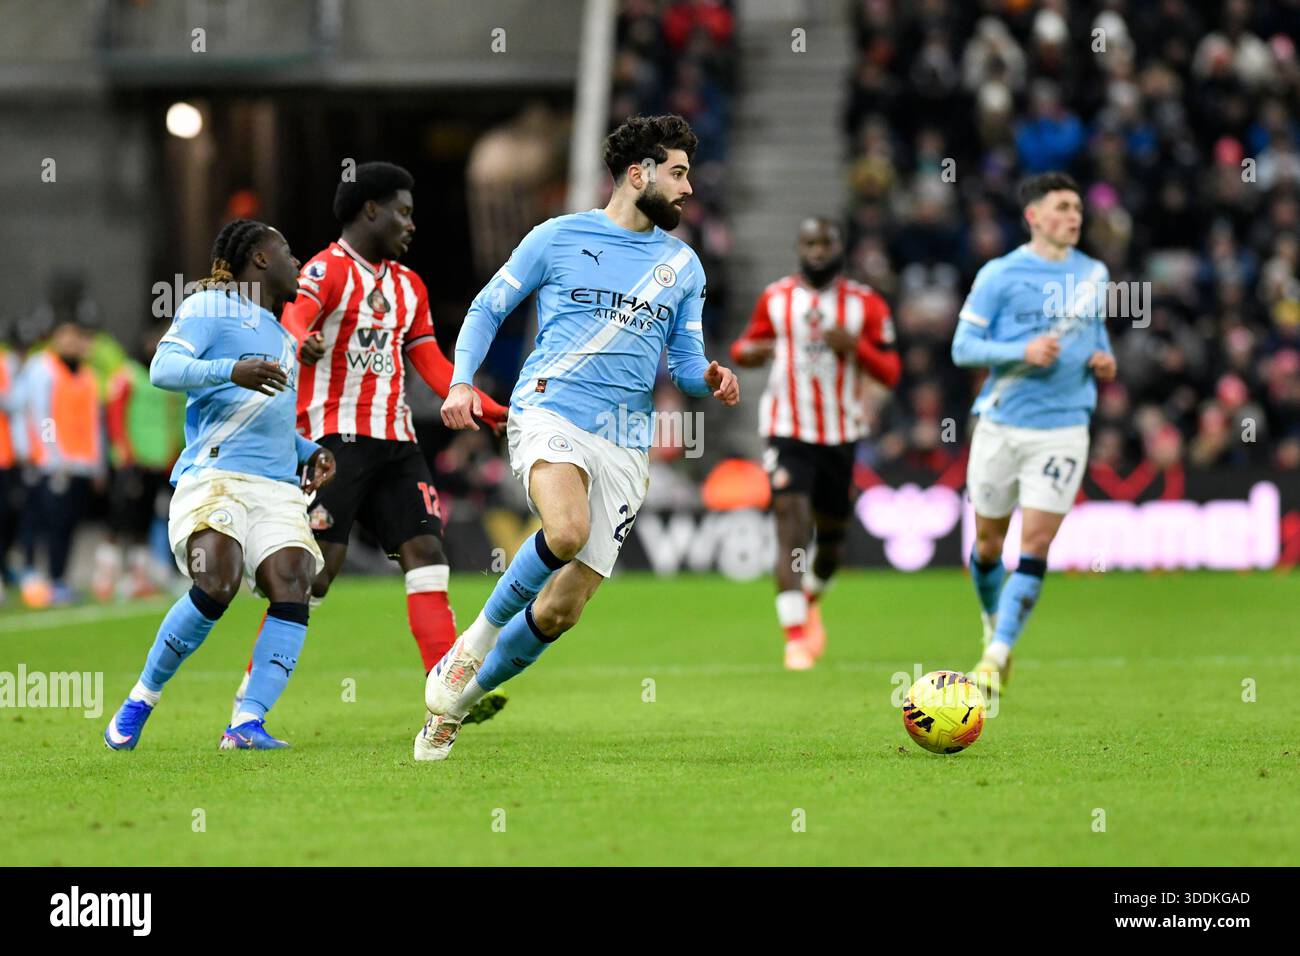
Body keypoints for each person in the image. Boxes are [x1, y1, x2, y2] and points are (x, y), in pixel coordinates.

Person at [418, 113, 740, 762]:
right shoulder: (558, 237)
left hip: (624, 439)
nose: (688, 188)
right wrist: (459, 383)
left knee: (563, 610)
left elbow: (683, 365)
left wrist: (708, 378)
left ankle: (457, 704)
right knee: (563, 532)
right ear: (636, 174)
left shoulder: (683, 266)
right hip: (551, 410)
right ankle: (470, 644)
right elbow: (488, 307)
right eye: (677, 173)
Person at [223, 162, 510, 737]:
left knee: (428, 554)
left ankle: (446, 691)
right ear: (370, 210)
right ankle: (246, 713)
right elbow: (296, 317)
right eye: (402, 212)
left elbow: (431, 365)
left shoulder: (410, 286)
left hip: (398, 445)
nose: (410, 223)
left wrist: (494, 409)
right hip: (335, 444)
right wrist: (299, 340)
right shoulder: (325, 271)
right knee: (314, 575)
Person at [104, 219, 336, 751]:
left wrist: (311, 450)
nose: (297, 263)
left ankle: (247, 723)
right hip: (216, 478)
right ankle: (143, 696)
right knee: (219, 576)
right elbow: (163, 367)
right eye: (287, 251)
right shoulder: (210, 308)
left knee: (293, 580)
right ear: (258, 259)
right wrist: (232, 369)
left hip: (275, 488)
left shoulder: (282, 337)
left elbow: (271, 420)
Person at [951, 172, 1117, 695]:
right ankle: (992, 621)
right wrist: (1018, 352)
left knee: (1036, 543)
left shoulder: (1094, 274)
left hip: (1064, 429)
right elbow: (962, 348)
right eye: (1063, 207)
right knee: (986, 544)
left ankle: (995, 656)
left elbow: (1098, 335)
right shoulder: (1000, 275)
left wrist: (1104, 359)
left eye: (1078, 209)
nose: (1075, 216)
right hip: (1001, 424)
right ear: (1034, 216)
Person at [730, 217, 900, 670]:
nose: (818, 251)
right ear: (798, 247)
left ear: (840, 246)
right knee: (791, 522)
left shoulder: (865, 304)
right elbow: (747, 346)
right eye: (810, 243)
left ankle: (812, 599)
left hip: (842, 433)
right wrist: (748, 353)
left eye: (826, 242)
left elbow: (890, 371)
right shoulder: (777, 297)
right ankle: (795, 640)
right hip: (787, 429)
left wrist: (855, 349)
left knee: (831, 544)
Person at [10, 316, 104, 607]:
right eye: (66, 337)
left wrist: (97, 463)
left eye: (76, 338)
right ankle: (42, 578)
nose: (72, 343)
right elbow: (43, 415)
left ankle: (59, 579)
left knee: (70, 524)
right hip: (56, 464)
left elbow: (93, 422)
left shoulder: (87, 375)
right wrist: (52, 455)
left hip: (82, 464)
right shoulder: (44, 368)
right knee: (48, 523)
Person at [95, 322, 186, 600]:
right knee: (120, 520)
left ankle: (138, 578)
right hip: (133, 461)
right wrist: (124, 453)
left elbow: (174, 420)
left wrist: (173, 454)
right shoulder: (127, 376)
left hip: (160, 462)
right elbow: (114, 416)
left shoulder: (169, 379)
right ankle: (105, 577)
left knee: (146, 523)